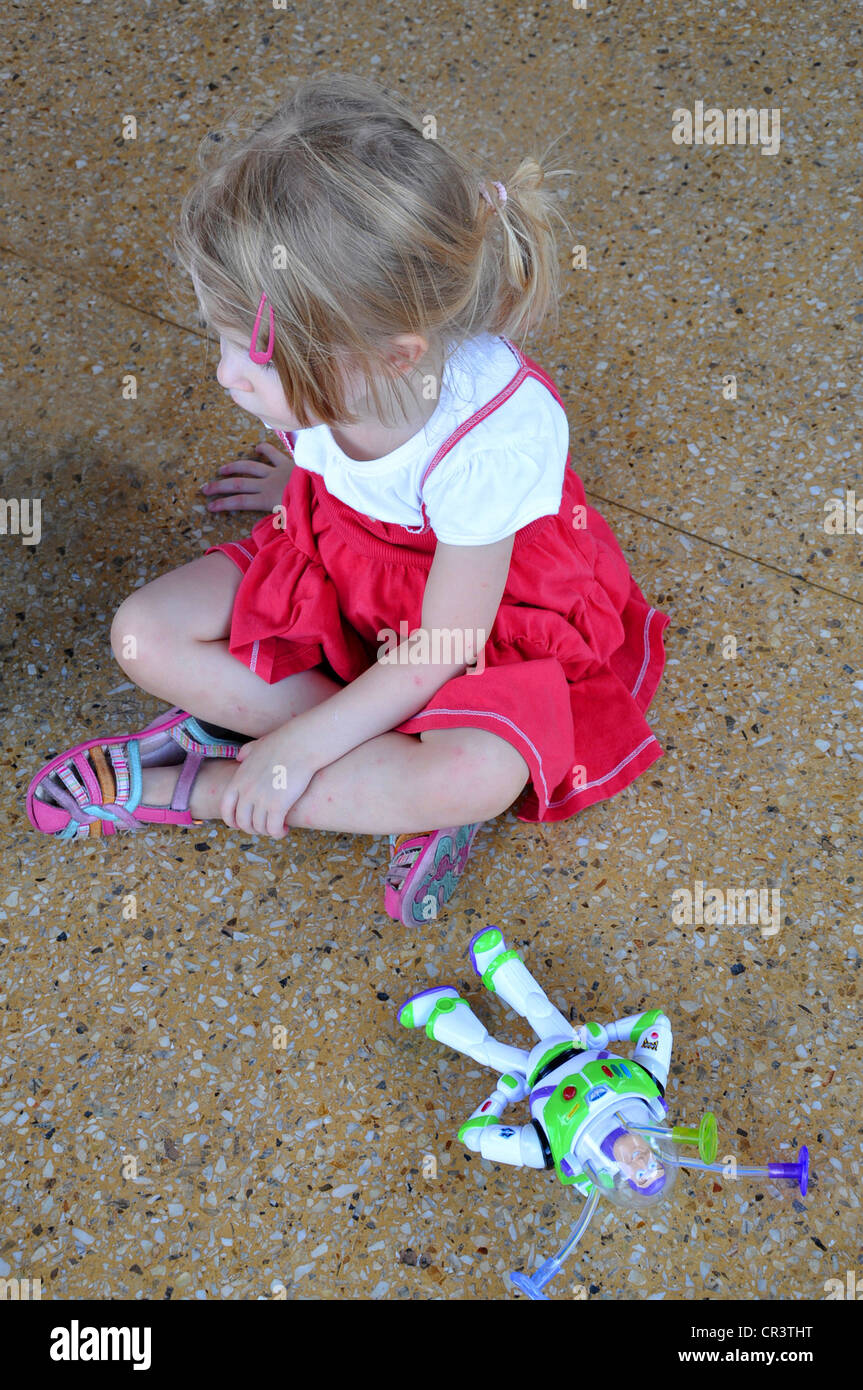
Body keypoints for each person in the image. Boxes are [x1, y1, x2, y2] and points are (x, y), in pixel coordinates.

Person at [27, 73, 670, 926]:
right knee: (142, 635)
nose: (226, 375)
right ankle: (385, 792)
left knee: (474, 775)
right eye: (221, 341)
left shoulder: (493, 441)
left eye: (251, 359)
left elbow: (444, 641)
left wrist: (298, 743)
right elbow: (327, 446)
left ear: (395, 358)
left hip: (471, 622)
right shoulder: (342, 363)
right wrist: (302, 479)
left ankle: (209, 785)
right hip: (339, 549)